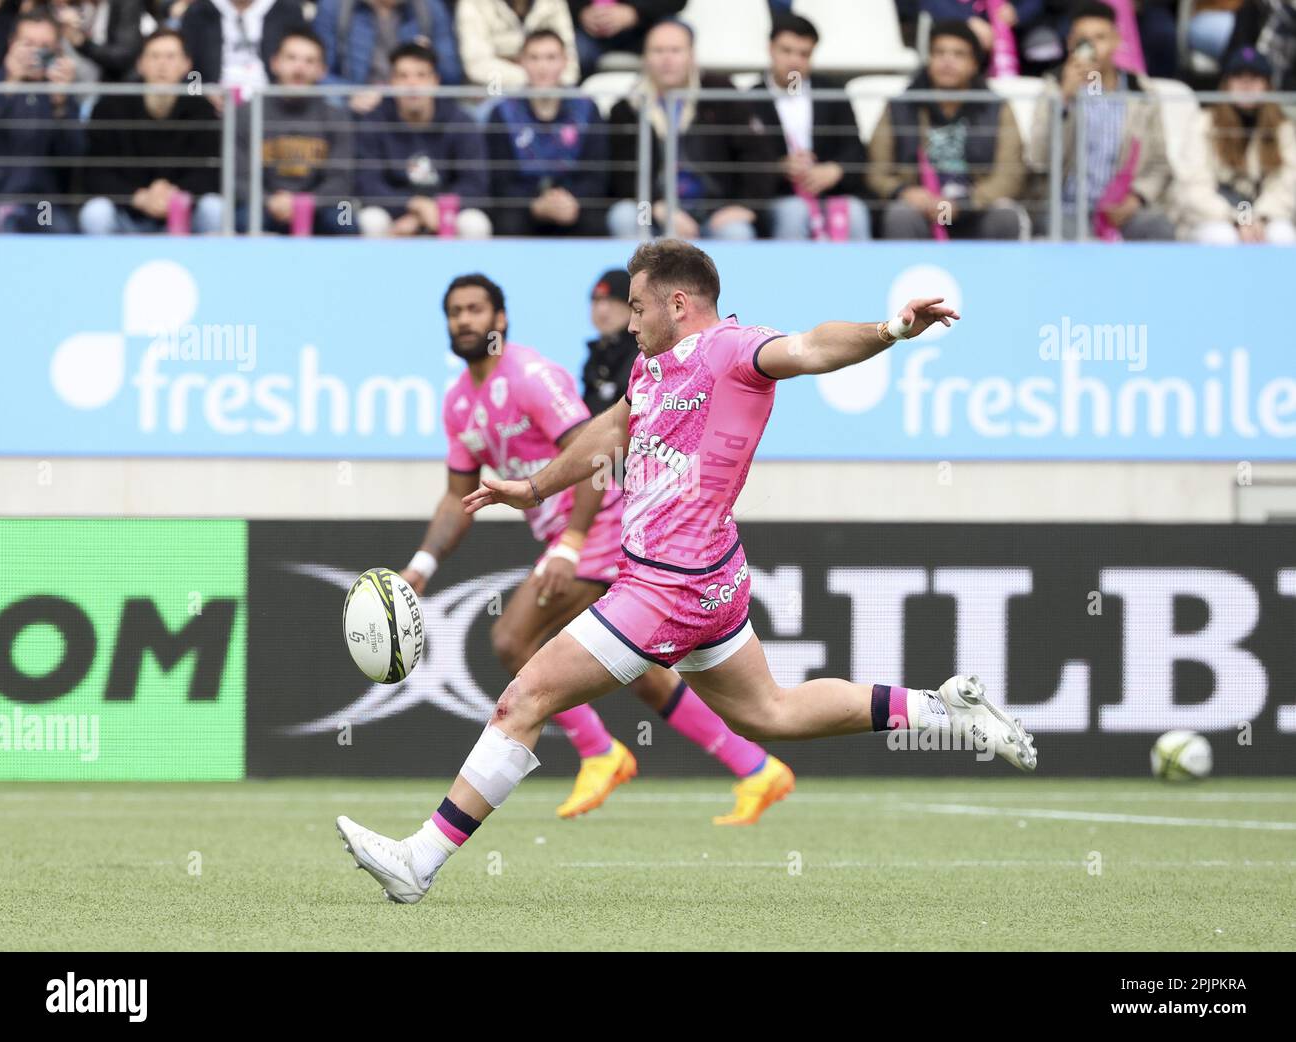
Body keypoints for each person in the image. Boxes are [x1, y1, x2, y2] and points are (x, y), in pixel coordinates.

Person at [337, 238, 1037, 905]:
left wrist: (889, 329)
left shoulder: (730, 349)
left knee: (524, 697)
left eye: (636, 307)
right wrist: (533, 488)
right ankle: (941, 708)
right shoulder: (650, 367)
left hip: (670, 585)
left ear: (677, 304)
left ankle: (419, 861)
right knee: (770, 712)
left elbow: (812, 346)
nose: (627, 321)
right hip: (707, 578)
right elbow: (609, 433)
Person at [397, 273, 795, 825]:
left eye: (474, 309)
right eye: (454, 311)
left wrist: (571, 544)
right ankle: (755, 767)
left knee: (513, 638)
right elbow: (456, 495)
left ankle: (600, 753)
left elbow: (597, 453)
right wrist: (421, 566)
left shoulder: (532, 377)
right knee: (645, 669)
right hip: (572, 540)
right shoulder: (460, 403)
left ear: (500, 320)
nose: (464, 320)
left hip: (604, 529)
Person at [605, 19, 778, 240]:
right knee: (624, 216)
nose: (667, 59)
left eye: (675, 50)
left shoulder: (721, 94)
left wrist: (745, 206)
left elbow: (758, 154)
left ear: (692, 56)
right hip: (652, 211)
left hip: (714, 213)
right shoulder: (627, 107)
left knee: (736, 233)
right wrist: (657, 206)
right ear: (645, 58)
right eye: (658, 51)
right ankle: (633, 275)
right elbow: (622, 174)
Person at [1027, 1, 1176, 240]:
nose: (1092, 47)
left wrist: (1135, 199)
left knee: (1159, 227)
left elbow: (1159, 163)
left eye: (1100, 38)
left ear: (1116, 41)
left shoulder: (1142, 92)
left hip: (1121, 209)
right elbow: (1038, 159)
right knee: (1069, 238)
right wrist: (1063, 100)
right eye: (1083, 40)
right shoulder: (1053, 88)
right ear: (1069, 43)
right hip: (1066, 209)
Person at [869, 20, 1027, 239]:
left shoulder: (996, 108)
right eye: (939, 52)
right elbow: (876, 171)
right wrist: (905, 192)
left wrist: (965, 203)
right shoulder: (900, 106)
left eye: (958, 54)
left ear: (974, 64)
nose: (947, 61)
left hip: (974, 208)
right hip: (921, 209)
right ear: (929, 60)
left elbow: (1009, 175)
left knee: (1005, 216)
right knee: (900, 215)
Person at [79, 29, 224, 234]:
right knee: (95, 213)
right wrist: (139, 197)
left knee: (215, 208)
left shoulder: (202, 110)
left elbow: (210, 172)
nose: (162, 64)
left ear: (186, 64)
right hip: (127, 214)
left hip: (183, 216)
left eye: (171, 57)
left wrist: (175, 194)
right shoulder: (110, 107)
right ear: (140, 63)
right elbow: (96, 172)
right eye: (154, 56)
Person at [744, 13, 871, 241]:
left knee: (856, 212)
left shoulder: (833, 94)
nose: (795, 61)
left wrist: (835, 170)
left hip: (832, 195)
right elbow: (740, 161)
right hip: (779, 197)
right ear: (770, 49)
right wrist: (779, 167)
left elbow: (855, 149)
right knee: (794, 213)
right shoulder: (749, 100)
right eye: (787, 51)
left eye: (804, 54)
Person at [354, 41, 491, 237]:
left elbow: (475, 186)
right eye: (403, 76)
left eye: (421, 75)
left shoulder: (460, 120)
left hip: (445, 213)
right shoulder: (374, 121)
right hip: (395, 213)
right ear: (391, 83)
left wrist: (433, 209)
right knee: (370, 219)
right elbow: (368, 185)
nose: (412, 84)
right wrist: (413, 206)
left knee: (475, 223)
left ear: (436, 81)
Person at [484, 29, 606, 236]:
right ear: (521, 62)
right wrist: (535, 204)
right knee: (508, 222)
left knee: (594, 222)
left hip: (574, 203)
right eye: (534, 58)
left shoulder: (587, 108)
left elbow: (598, 174)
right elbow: (499, 179)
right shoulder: (502, 111)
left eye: (551, 57)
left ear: (564, 61)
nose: (543, 66)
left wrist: (570, 199)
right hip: (523, 206)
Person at [1172, 46, 1296, 242]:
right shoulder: (1203, 123)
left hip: (1264, 215)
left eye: (1255, 77)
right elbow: (1194, 186)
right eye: (1238, 76)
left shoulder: (1283, 129)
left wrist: (1260, 218)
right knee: (1223, 237)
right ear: (1226, 84)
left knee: (1283, 235)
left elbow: (1287, 186)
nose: (1246, 84)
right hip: (1216, 216)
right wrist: (1239, 219)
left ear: (1267, 85)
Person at [243, 27, 356, 234]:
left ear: (322, 70)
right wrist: (269, 200)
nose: (299, 68)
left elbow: (341, 181)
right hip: (264, 205)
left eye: (309, 61)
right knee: (238, 216)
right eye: (292, 58)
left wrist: (305, 203)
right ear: (275, 63)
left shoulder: (336, 116)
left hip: (318, 207)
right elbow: (239, 177)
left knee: (345, 217)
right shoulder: (248, 113)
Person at [0, 12, 83, 233]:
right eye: (28, 45)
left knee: (58, 229)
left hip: (43, 205)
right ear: (11, 44)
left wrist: (60, 105)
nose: (35, 54)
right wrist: (9, 85)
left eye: (44, 46)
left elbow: (74, 157)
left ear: (56, 51)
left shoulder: (59, 94)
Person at [313, 0, 463, 101]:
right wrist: (352, 95)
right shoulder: (334, 7)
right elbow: (319, 73)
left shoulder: (429, 8)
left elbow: (452, 76)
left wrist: (430, 57)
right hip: (356, 104)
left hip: (412, 99)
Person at [180, 0, 307, 98]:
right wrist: (201, 94)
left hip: (274, 102)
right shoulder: (198, 12)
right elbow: (190, 68)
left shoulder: (288, 11)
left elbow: (303, 57)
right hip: (211, 107)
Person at [455, 0, 578, 89]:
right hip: (494, 86)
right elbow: (478, 65)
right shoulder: (473, 3)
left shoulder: (554, 3)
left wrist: (540, 76)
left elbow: (570, 65)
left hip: (552, 88)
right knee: (491, 108)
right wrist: (537, 76)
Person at [569, 0, 683, 75]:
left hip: (645, 27)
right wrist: (580, 12)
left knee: (673, 43)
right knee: (572, 54)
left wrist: (634, 12)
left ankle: (673, 106)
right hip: (589, 33)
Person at [580, 268, 638, 414]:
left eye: (612, 301)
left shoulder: (644, 354)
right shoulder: (597, 355)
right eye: (596, 301)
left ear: (633, 306)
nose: (602, 310)